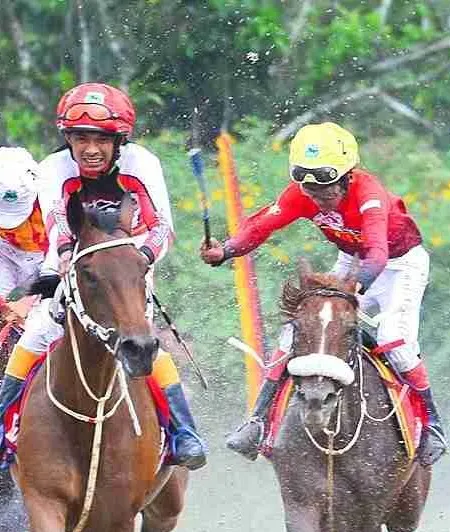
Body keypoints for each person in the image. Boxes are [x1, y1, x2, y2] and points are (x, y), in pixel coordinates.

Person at [200, 121, 446, 467]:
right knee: (299, 328)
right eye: (311, 190)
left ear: (347, 175)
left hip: (399, 264)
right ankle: (258, 422)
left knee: (395, 340)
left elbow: (377, 252)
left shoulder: (368, 193)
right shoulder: (302, 194)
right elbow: (260, 226)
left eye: (327, 188)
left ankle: (432, 424)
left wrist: (351, 291)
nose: (318, 198)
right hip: (353, 256)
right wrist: (225, 250)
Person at [0, 83, 206, 470]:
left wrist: (138, 260)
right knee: (39, 329)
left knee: (142, 334)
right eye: (80, 138)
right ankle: (2, 426)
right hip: (74, 257)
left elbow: (162, 226)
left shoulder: (142, 163)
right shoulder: (52, 169)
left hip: (131, 258)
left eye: (101, 139)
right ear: (68, 138)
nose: (90, 149)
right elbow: (59, 223)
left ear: (119, 140)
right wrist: (64, 258)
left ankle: (184, 431)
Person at [0, 146, 45, 317]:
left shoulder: (54, 197)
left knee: (35, 319)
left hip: (45, 260)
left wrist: (28, 294)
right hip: (3, 253)